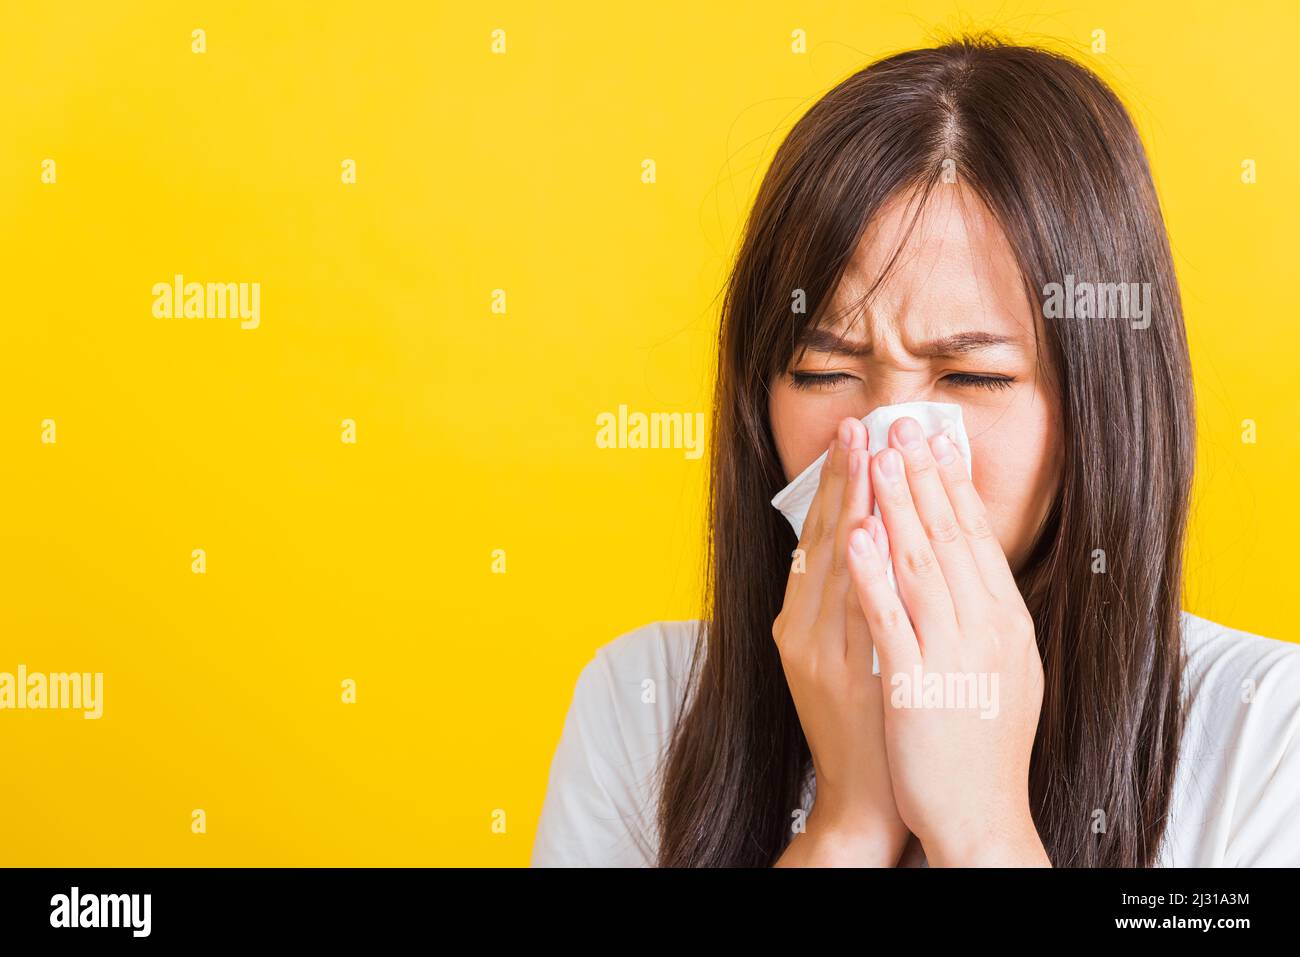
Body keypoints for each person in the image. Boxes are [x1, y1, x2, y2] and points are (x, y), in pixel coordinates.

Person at [531, 35, 1300, 867]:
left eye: (971, 376)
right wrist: (848, 821)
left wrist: (980, 824)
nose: (889, 445)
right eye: (824, 371)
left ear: (1101, 405)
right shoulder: (641, 705)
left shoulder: (1266, 732)